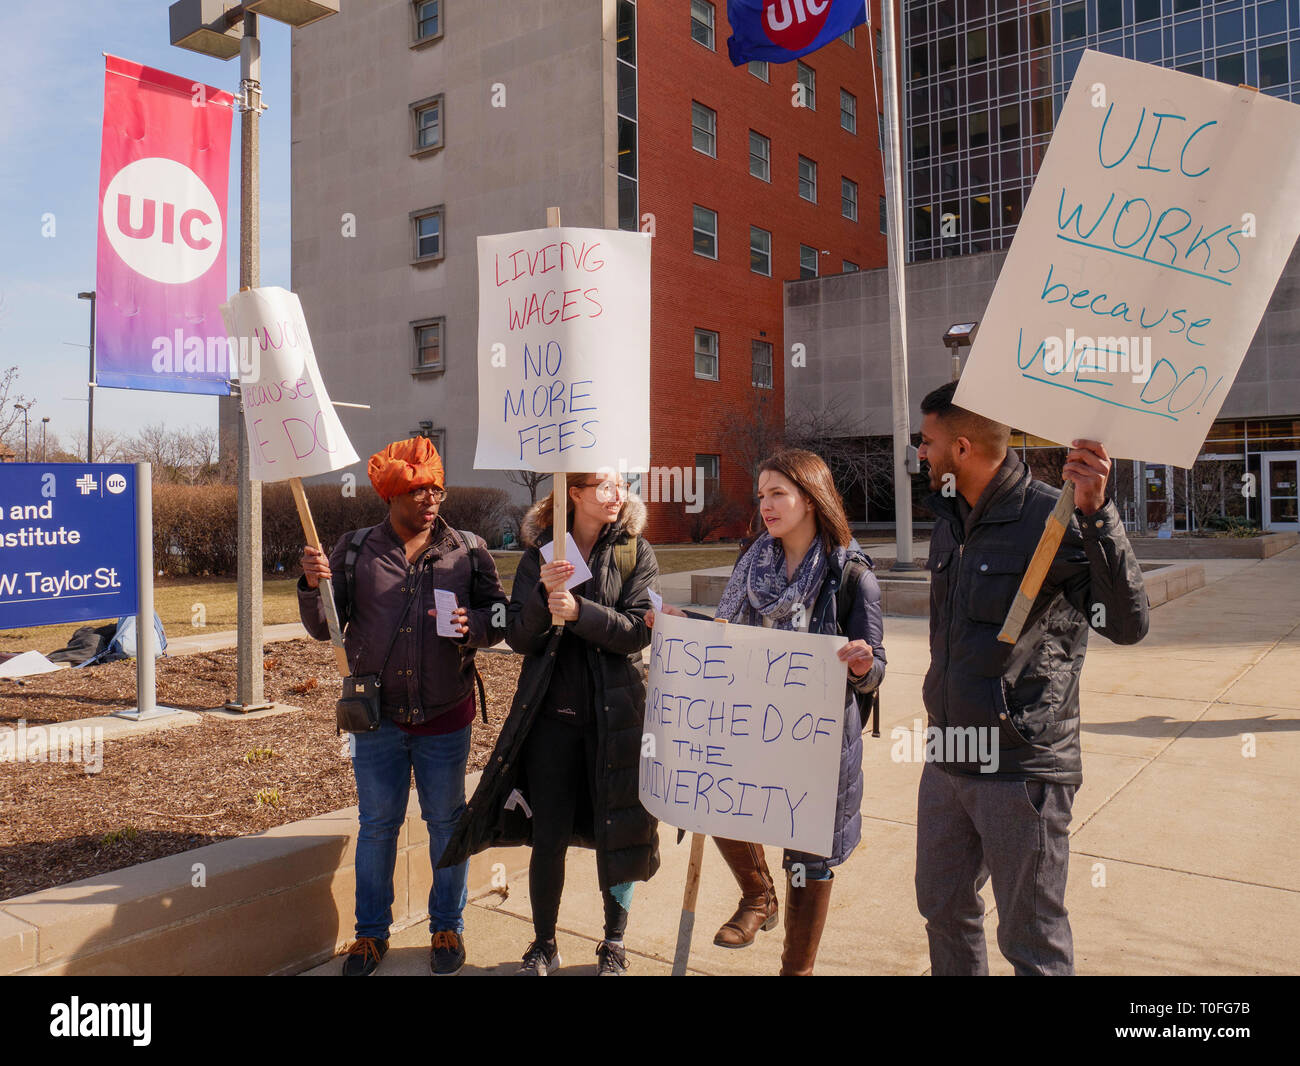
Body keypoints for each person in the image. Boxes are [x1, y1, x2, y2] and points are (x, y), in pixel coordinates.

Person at [914, 381, 1148, 976]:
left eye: (927, 441)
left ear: (961, 447)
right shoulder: (949, 523)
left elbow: (1126, 622)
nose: (919, 452)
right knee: (941, 907)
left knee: (1030, 938)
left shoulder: (1054, 517)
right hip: (948, 752)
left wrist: (1098, 515)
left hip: (1022, 765)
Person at [650, 449, 886, 976]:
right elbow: (727, 636)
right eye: (761, 495)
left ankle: (794, 970)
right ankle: (759, 897)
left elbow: (875, 671)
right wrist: (680, 622)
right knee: (721, 803)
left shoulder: (850, 578)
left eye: (778, 492)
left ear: (810, 496)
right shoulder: (753, 561)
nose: (767, 505)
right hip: (751, 726)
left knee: (809, 859)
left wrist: (860, 665)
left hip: (816, 743)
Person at [298, 437, 508, 977]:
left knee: (446, 822)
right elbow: (325, 627)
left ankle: (446, 927)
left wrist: (476, 627)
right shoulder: (354, 549)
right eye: (417, 491)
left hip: (446, 714)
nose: (430, 499)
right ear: (390, 496)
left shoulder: (469, 549)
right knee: (378, 826)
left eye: (436, 489)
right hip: (378, 720)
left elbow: (504, 619)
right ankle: (370, 935)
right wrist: (311, 584)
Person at [438, 472, 660, 976]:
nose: (617, 494)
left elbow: (636, 632)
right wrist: (543, 596)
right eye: (604, 485)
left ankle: (614, 942)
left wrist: (580, 610)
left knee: (618, 832)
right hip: (551, 723)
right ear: (573, 493)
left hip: (616, 720)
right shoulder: (541, 554)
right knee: (548, 837)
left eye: (620, 485)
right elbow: (518, 636)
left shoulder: (634, 552)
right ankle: (544, 944)